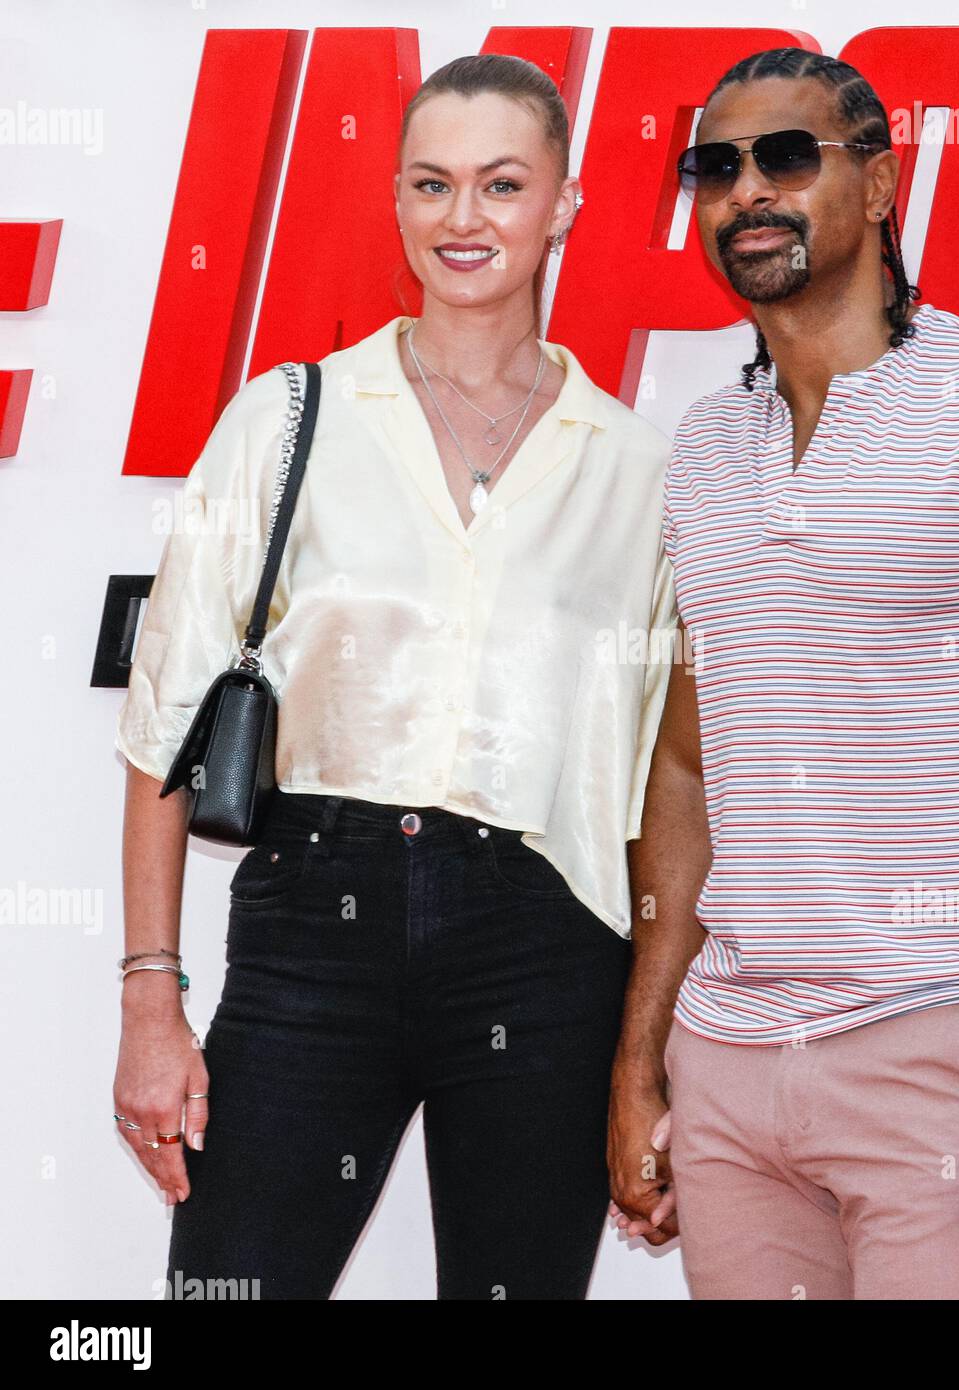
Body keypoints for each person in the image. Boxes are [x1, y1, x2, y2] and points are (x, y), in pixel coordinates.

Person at [608, 47, 959, 1299]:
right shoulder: (704, 448)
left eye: (786, 156)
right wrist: (642, 1059)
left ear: (877, 186)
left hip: (932, 1053)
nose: (746, 190)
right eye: (716, 166)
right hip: (728, 1064)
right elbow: (691, 762)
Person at [114, 53, 675, 1301]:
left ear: (566, 203)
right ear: (398, 201)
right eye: (433, 184)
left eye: (501, 183)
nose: (463, 219)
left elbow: (662, 788)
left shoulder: (640, 474)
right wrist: (151, 1001)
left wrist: (648, 1053)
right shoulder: (287, 419)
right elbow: (164, 727)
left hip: (546, 946)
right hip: (314, 919)